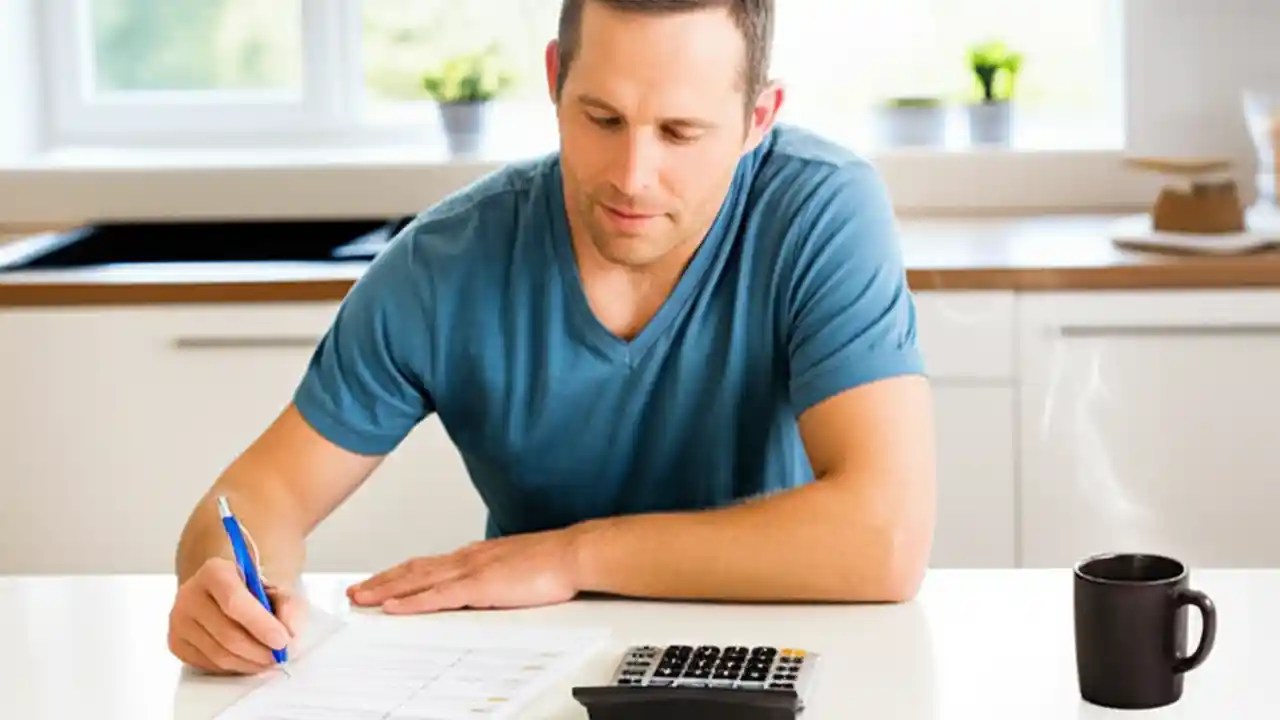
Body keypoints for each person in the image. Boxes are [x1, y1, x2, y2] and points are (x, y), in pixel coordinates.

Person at [167, 0, 935, 676]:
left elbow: (886, 538)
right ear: (554, 79)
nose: (633, 175)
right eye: (602, 118)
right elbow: (256, 498)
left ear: (758, 119)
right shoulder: (444, 263)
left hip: (779, 658)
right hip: (531, 673)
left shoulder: (821, 212)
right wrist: (225, 588)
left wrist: (572, 555)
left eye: (680, 132)